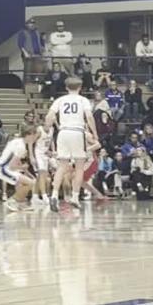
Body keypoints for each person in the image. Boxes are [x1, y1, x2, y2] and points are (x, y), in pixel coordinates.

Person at [44, 77, 100, 211]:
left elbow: (49, 117)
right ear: (80, 88)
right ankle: (75, 197)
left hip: (63, 132)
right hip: (77, 132)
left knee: (62, 166)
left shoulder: (60, 100)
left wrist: (47, 129)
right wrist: (95, 132)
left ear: (66, 87)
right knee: (79, 166)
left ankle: (54, 195)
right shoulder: (83, 100)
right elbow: (90, 117)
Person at [0, 125, 39, 212]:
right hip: (3, 169)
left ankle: (20, 204)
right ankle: (12, 201)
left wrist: (23, 169)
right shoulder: (21, 147)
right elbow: (12, 166)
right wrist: (22, 167)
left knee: (24, 183)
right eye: (34, 136)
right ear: (29, 135)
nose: (35, 138)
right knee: (30, 183)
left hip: (3, 167)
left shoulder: (17, 141)